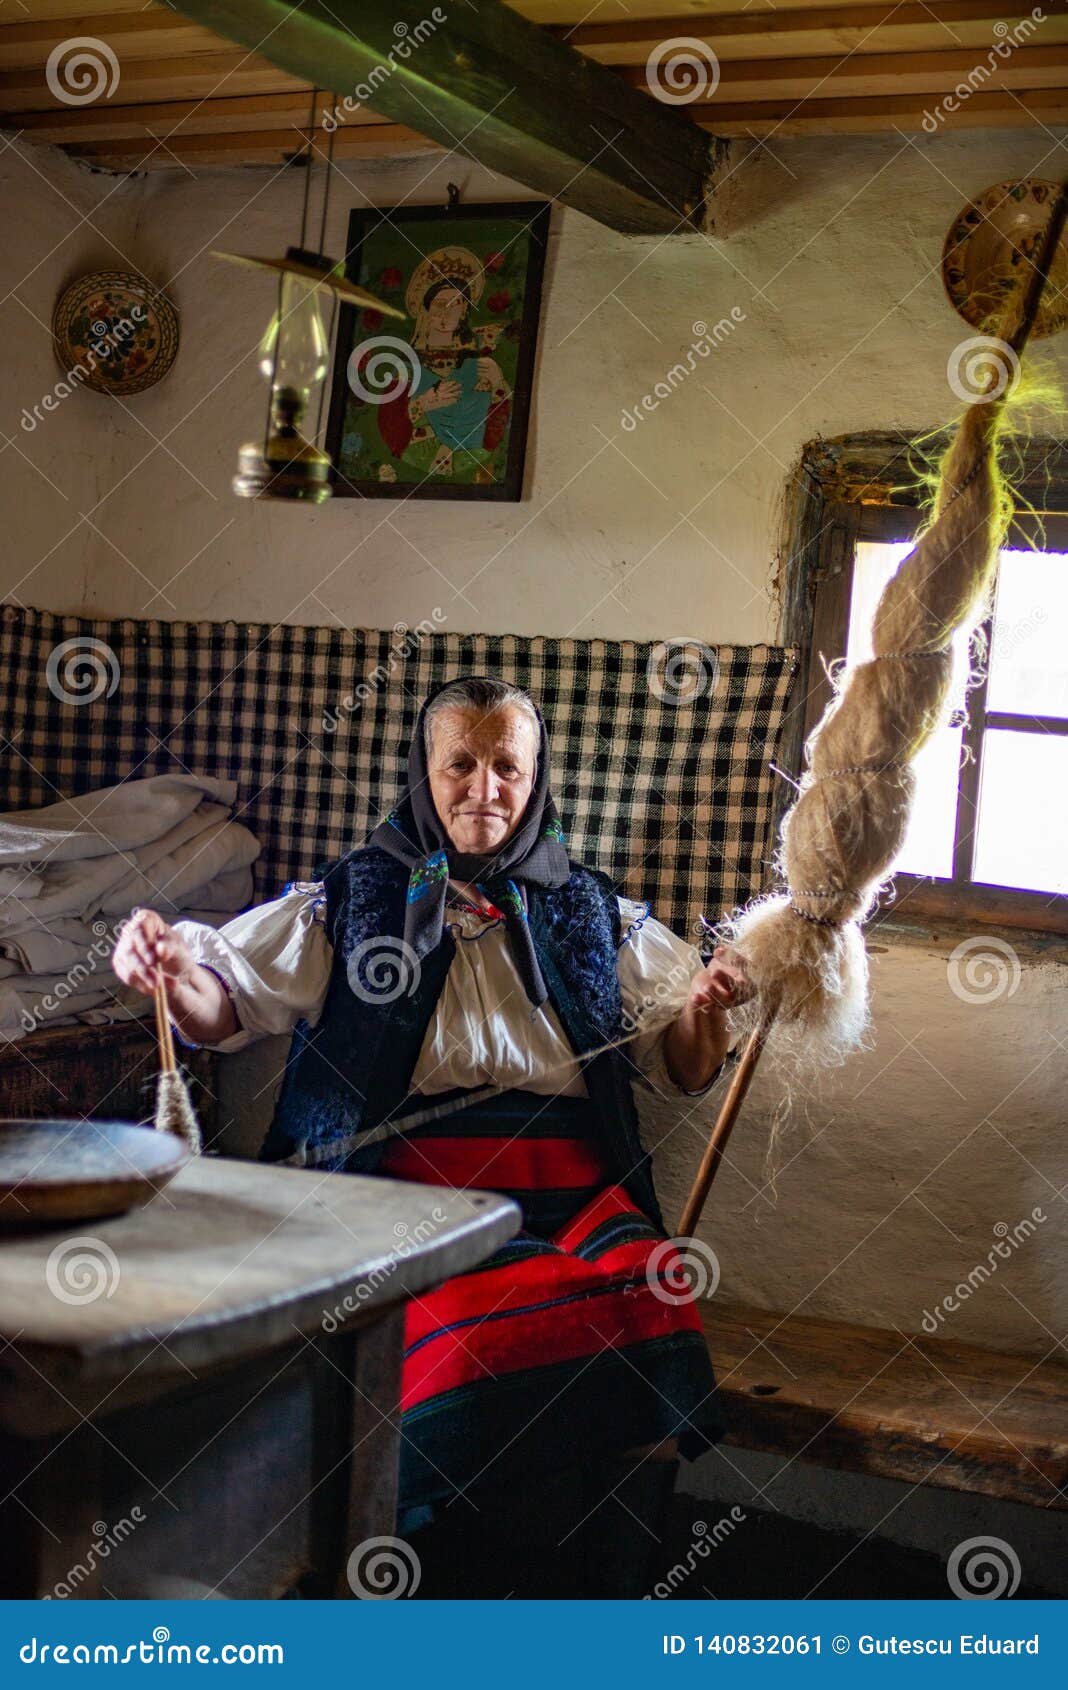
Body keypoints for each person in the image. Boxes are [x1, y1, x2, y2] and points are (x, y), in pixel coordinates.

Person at [113, 675, 752, 1598]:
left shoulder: (591, 911)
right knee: (457, 1337)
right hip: (391, 1212)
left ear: (539, 781)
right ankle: (428, 1585)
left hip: (570, 1203)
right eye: (461, 763)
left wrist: (704, 1010)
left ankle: (584, 1591)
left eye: (507, 767)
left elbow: (687, 1068)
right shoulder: (358, 896)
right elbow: (225, 1010)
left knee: (650, 1298)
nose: (483, 789)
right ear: (425, 771)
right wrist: (174, 973)